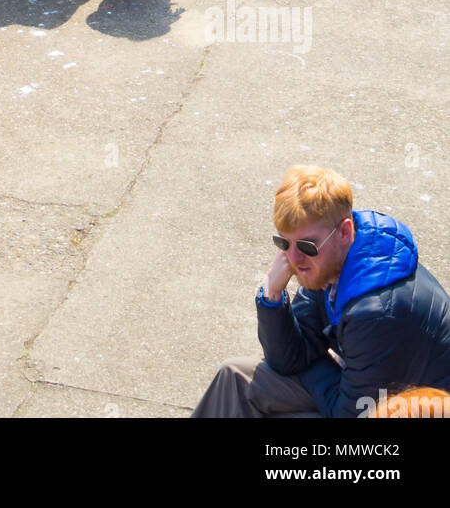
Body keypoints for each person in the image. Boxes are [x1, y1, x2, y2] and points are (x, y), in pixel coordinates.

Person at [192, 165, 450, 417]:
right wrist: (272, 297)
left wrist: (316, 360)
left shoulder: (377, 311)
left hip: (412, 410)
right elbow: (289, 359)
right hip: (360, 390)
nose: (293, 258)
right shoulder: (331, 264)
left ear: (345, 232)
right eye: (284, 243)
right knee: (235, 376)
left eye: (306, 245)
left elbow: (349, 413)